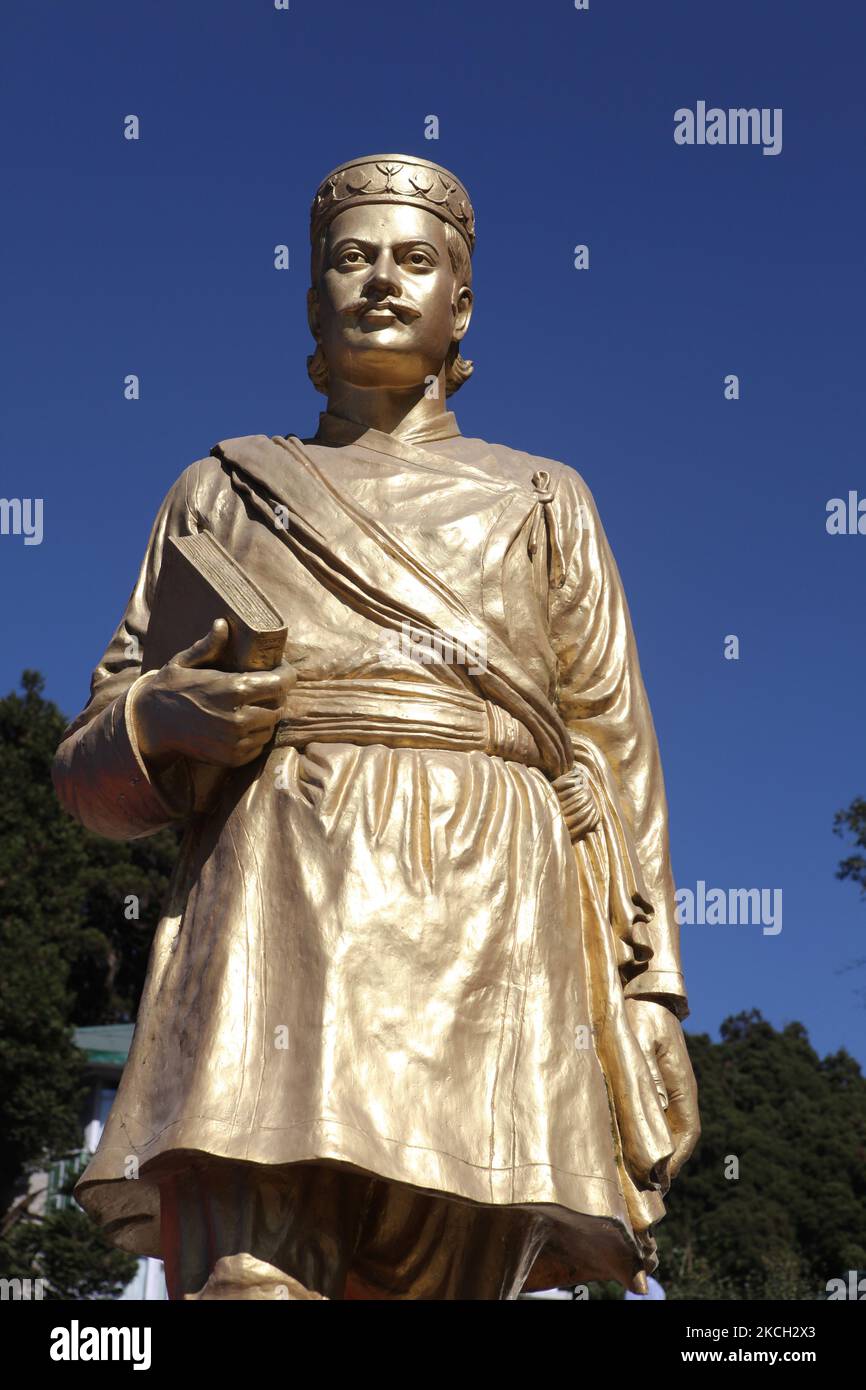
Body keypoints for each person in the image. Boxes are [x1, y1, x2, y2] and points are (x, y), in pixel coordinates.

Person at [53, 153, 699, 1300]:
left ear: (460, 302)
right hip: (271, 905)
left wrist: (650, 995)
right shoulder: (224, 491)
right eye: (350, 260)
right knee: (243, 1284)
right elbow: (87, 768)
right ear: (311, 299)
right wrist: (162, 717)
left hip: (490, 914)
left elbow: (613, 748)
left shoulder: (544, 495)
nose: (381, 282)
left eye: (415, 260)